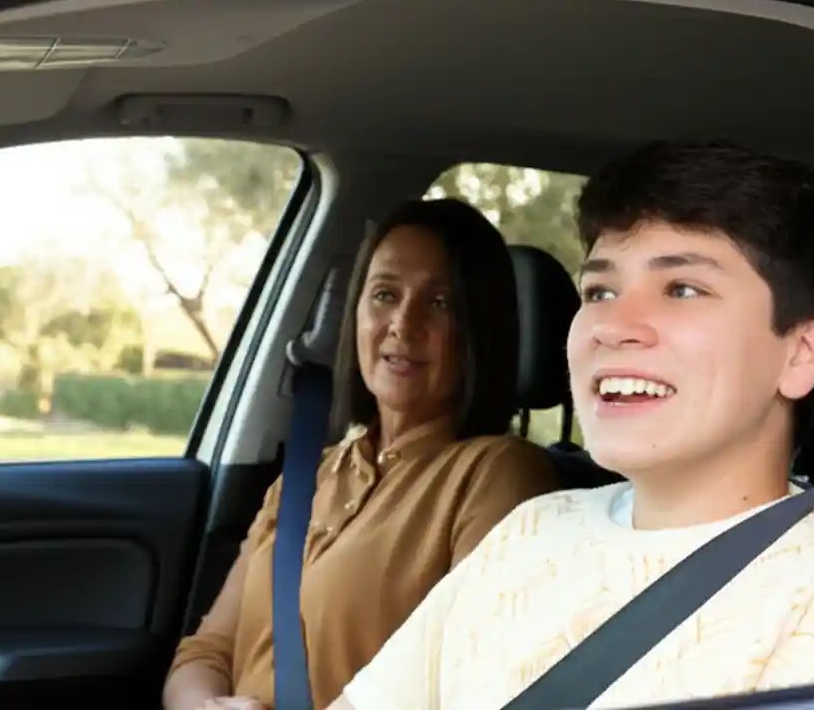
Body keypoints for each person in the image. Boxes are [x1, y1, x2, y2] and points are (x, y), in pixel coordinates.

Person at [330, 141, 814, 710]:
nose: (614, 324)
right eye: (599, 290)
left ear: (802, 353)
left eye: (683, 288)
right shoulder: (532, 529)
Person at [163, 198, 562, 710]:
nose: (402, 322)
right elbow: (208, 649)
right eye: (385, 295)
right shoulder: (310, 475)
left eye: (439, 303)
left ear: (478, 330)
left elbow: (474, 685)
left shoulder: (498, 476)